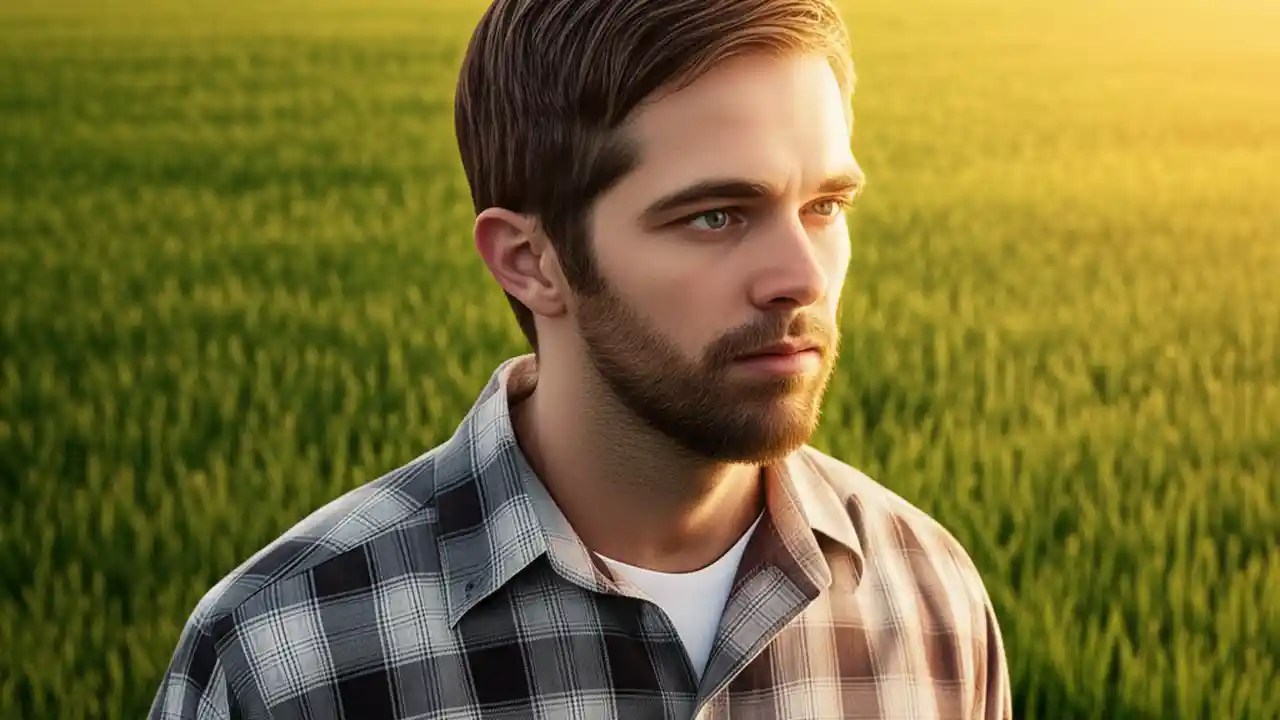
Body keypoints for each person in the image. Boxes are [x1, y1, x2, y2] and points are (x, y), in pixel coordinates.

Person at [149, 0, 1012, 717]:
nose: (800, 279)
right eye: (715, 215)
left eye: (825, 206)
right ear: (531, 261)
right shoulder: (284, 655)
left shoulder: (928, 596)